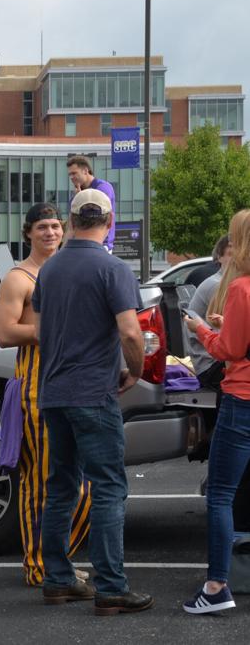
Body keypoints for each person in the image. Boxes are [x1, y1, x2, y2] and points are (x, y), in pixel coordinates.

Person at [32, 188, 152, 615]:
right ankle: (111, 587)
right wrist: (134, 370)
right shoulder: (112, 268)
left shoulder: (50, 270)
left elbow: (48, 326)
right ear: (108, 220)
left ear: (71, 219)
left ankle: (58, 579)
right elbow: (130, 332)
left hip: (53, 393)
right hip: (92, 393)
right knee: (108, 488)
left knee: (61, 487)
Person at [0, 203, 92, 587]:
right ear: (28, 232)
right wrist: (50, 329)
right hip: (35, 384)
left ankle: (57, 559)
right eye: (42, 227)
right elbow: (4, 333)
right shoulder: (19, 278)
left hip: (73, 382)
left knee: (81, 483)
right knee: (40, 481)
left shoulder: (68, 269)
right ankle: (40, 566)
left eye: (55, 225)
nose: (50, 232)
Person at [183, 209, 250, 614]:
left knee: (221, 494)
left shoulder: (241, 288)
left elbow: (228, 351)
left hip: (242, 400)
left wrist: (202, 330)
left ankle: (215, 586)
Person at [185, 234, 232, 387]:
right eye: (230, 254)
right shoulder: (218, 285)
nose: (236, 259)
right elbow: (230, 339)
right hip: (211, 364)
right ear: (219, 257)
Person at [66, 155, 116, 252]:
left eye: (74, 173)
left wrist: (79, 197)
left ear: (85, 170)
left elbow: (95, 213)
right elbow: (72, 216)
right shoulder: (77, 192)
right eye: (70, 175)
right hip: (81, 244)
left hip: (101, 244)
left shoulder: (103, 187)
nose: (72, 177)